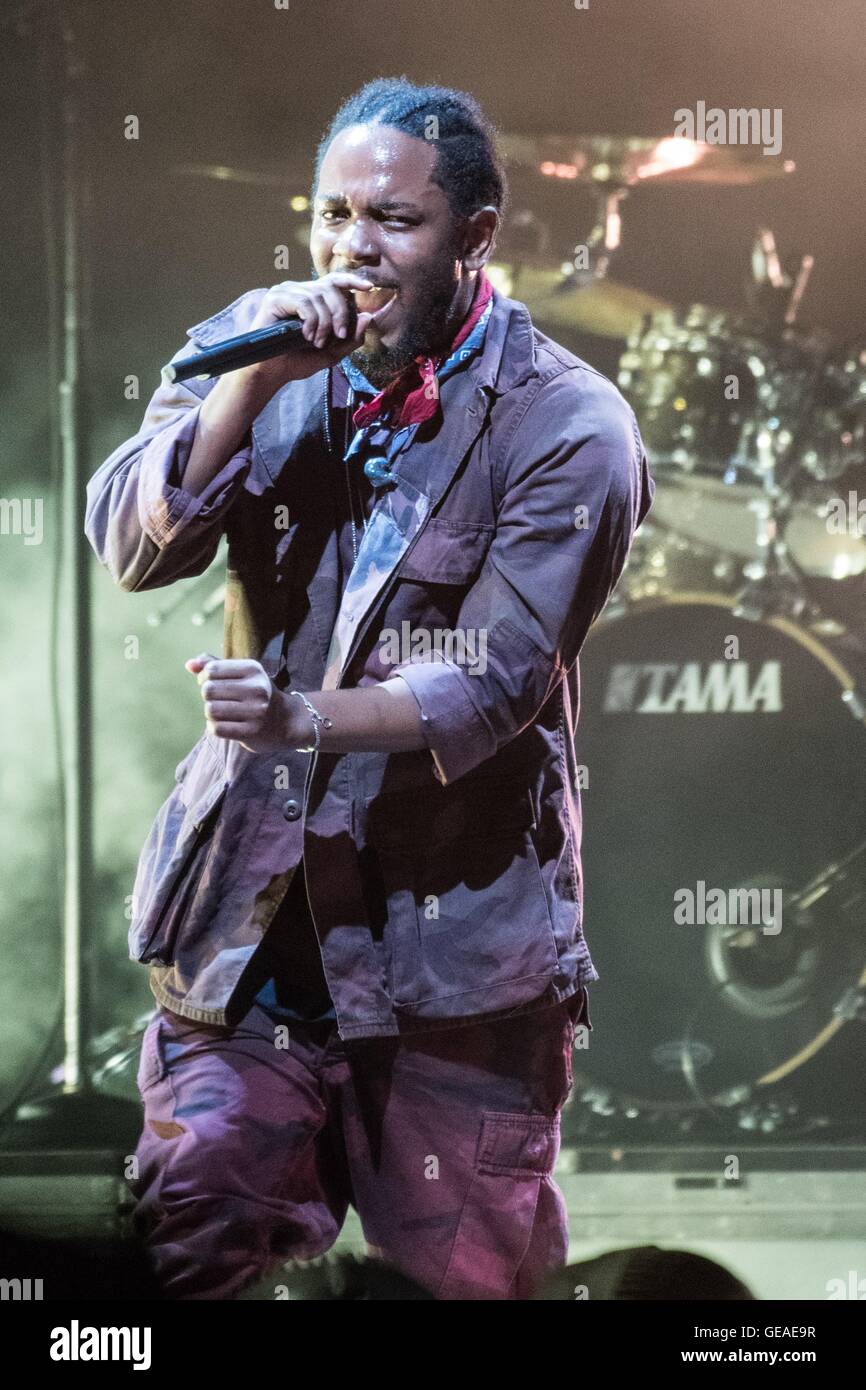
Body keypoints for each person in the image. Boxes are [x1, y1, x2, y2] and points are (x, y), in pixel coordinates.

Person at [85, 76, 654, 1300]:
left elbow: (495, 680)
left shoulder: (568, 422)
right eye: (332, 213)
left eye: (392, 221)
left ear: (474, 238)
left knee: (465, 1284)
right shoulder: (260, 338)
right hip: (248, 939)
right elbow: (134, 544)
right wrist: (250, 379)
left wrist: (302, 721)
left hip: (451, 964)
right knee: (187, 1253)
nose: (352, 246)